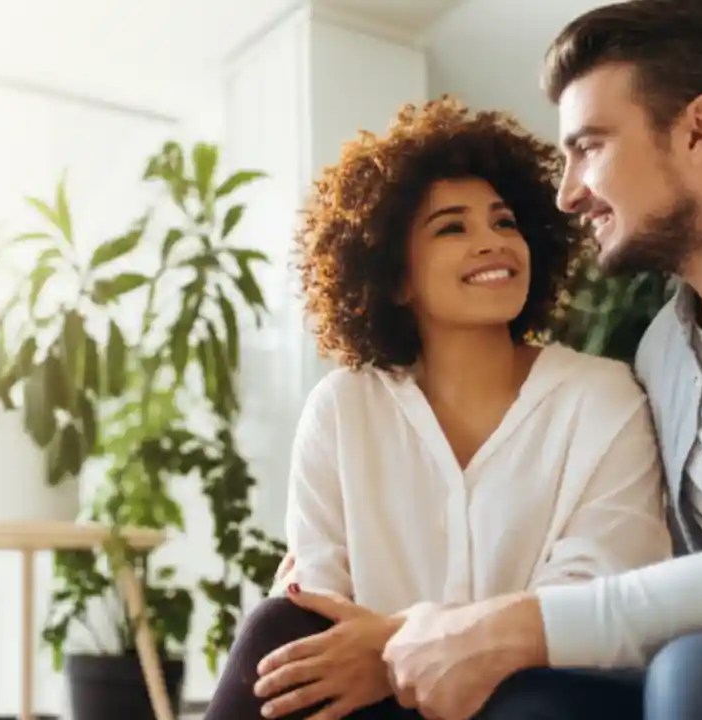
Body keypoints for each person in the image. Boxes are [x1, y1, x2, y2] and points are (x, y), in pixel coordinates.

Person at [379, 2, 702, 719]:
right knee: (528, 697)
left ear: (700, 129)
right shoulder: (662, 351)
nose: (568, 194)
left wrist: (510, 627)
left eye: (589, 148)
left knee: (701, 669)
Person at [202, 97, 671, 720]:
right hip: (371, 699)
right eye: (453, 228)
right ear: (396, 278)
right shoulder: (343, 408)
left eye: (505, 223)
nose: (492, 243)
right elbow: (317, 600)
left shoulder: (601, 396)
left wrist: (395, 643)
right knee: (276, 630)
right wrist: (389, 656)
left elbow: (593, 599)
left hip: (532, 693)